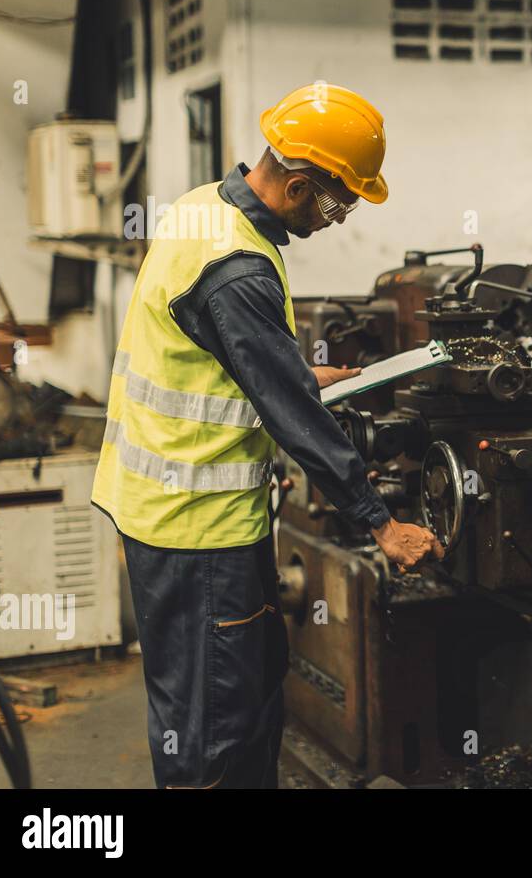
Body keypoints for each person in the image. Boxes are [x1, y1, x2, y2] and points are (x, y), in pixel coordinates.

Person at [91, 82, 441, 788]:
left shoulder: (204, 209)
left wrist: (297, 370)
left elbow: (221, 360)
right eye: (337, 203)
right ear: (299, 185)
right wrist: (380, 524)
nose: (338, 220)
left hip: (164, 516)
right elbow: (293, 417)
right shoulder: (239, 267)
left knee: (235, 707)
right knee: (213, 736)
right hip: (199, 534)